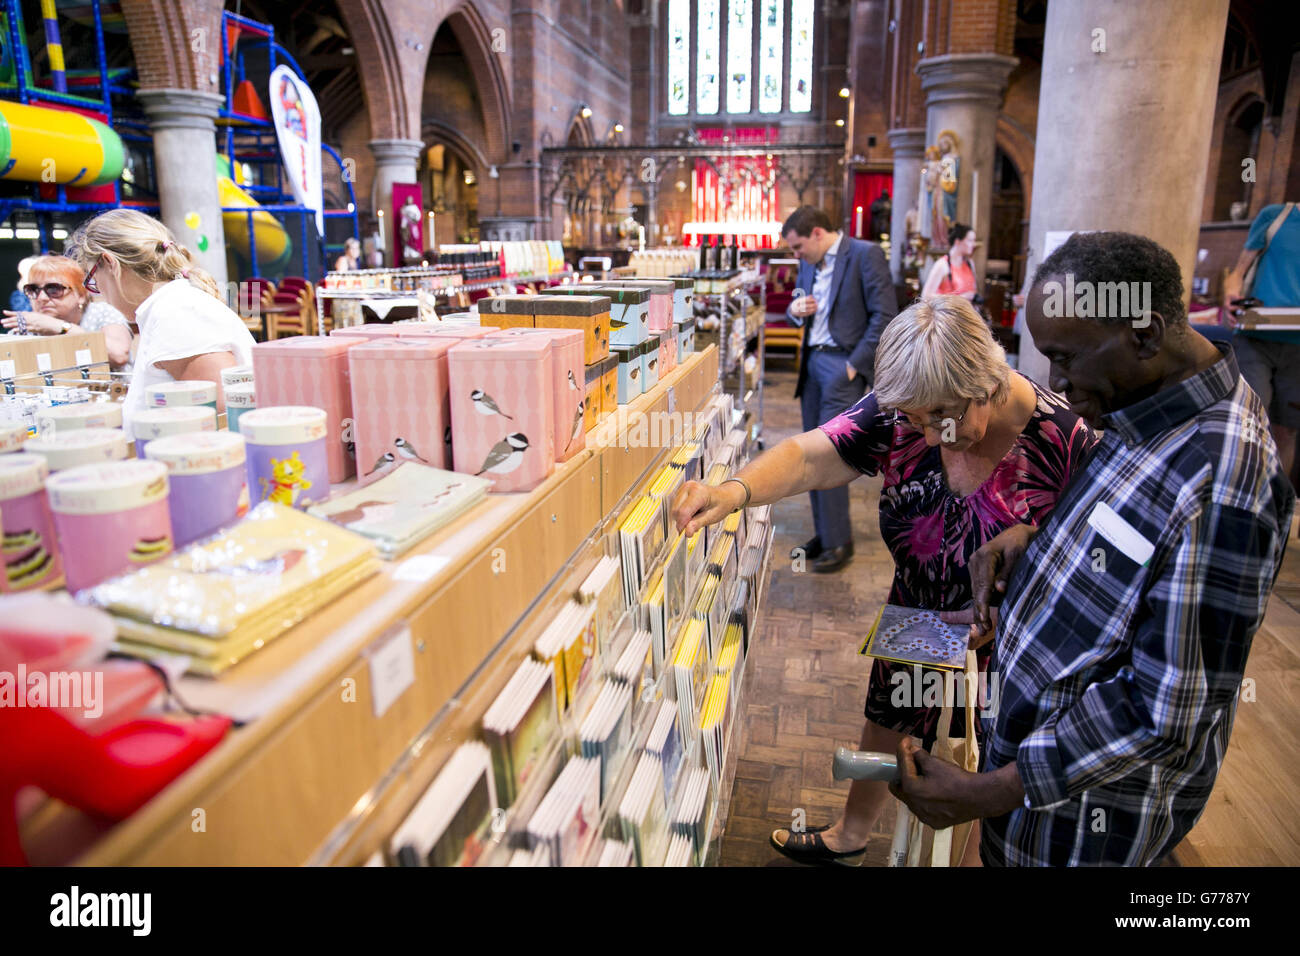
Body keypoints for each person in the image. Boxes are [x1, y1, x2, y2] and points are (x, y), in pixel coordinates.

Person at [892, 231, 1295, 866]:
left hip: (1080, 824)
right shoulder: (1142, 409)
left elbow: (1164, 712)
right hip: (1029, 784)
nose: (1056, 381)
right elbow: (1129, 550)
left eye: (1067, 357)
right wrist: (1036, 539)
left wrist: (988, 792)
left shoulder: (1224, 482)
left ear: (1144, 333)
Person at [671, 295, 1098, 865]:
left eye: (938, 419)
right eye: (913, 420)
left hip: (1014, 637)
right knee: (891, 714)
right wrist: (732, 492)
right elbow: (808, 456)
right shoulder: (912, 409)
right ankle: (852, 834)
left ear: (988, 386)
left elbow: (1093, 571)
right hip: (918, 606)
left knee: (990, 761)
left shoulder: (1064, 441)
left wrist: (1008, 608)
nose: (922, 435)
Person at [64, 209, 255, 435]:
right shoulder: (170, 306)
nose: (98, 291)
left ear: (110, 263)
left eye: (92, 278)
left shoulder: (175, 313)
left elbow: (221, 424)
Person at [783, 205, 899, 573]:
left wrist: (852, 367)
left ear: (818, 233)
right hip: (811, 365)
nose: (795, 255)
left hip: (842, 366)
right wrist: (793, 309)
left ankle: (840, 543)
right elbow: (795, 306)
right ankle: (824, 533)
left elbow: (885, 316)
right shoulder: (808, 262)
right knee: (809, 455)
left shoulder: (865, 255)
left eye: (798, 247)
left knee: (830, 455)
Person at [1223, 202, 1300, 485]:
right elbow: (1238, 272)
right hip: (1257, 337)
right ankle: (1238, 494)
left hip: (1298, 347)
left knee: (1286, 431)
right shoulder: (1276, 216)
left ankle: (1276, 507)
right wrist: (1231, 294)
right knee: (1249, 422)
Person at [2, 255, 134, 372]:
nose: (41, 298)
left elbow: (119, 355)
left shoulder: (100, 313)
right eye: (33, 289)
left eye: (53, 289)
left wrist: (60, 327)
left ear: (81, 295)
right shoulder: (29, 327)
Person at [921, 223, 978, 303]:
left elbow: (974, 290)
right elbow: (926, 296)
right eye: (970, 240)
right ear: (957, 242)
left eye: (974, 241)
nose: (973, 244)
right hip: (949, 314)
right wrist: (959, 298)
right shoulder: (942, 265)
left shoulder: (970, 264)